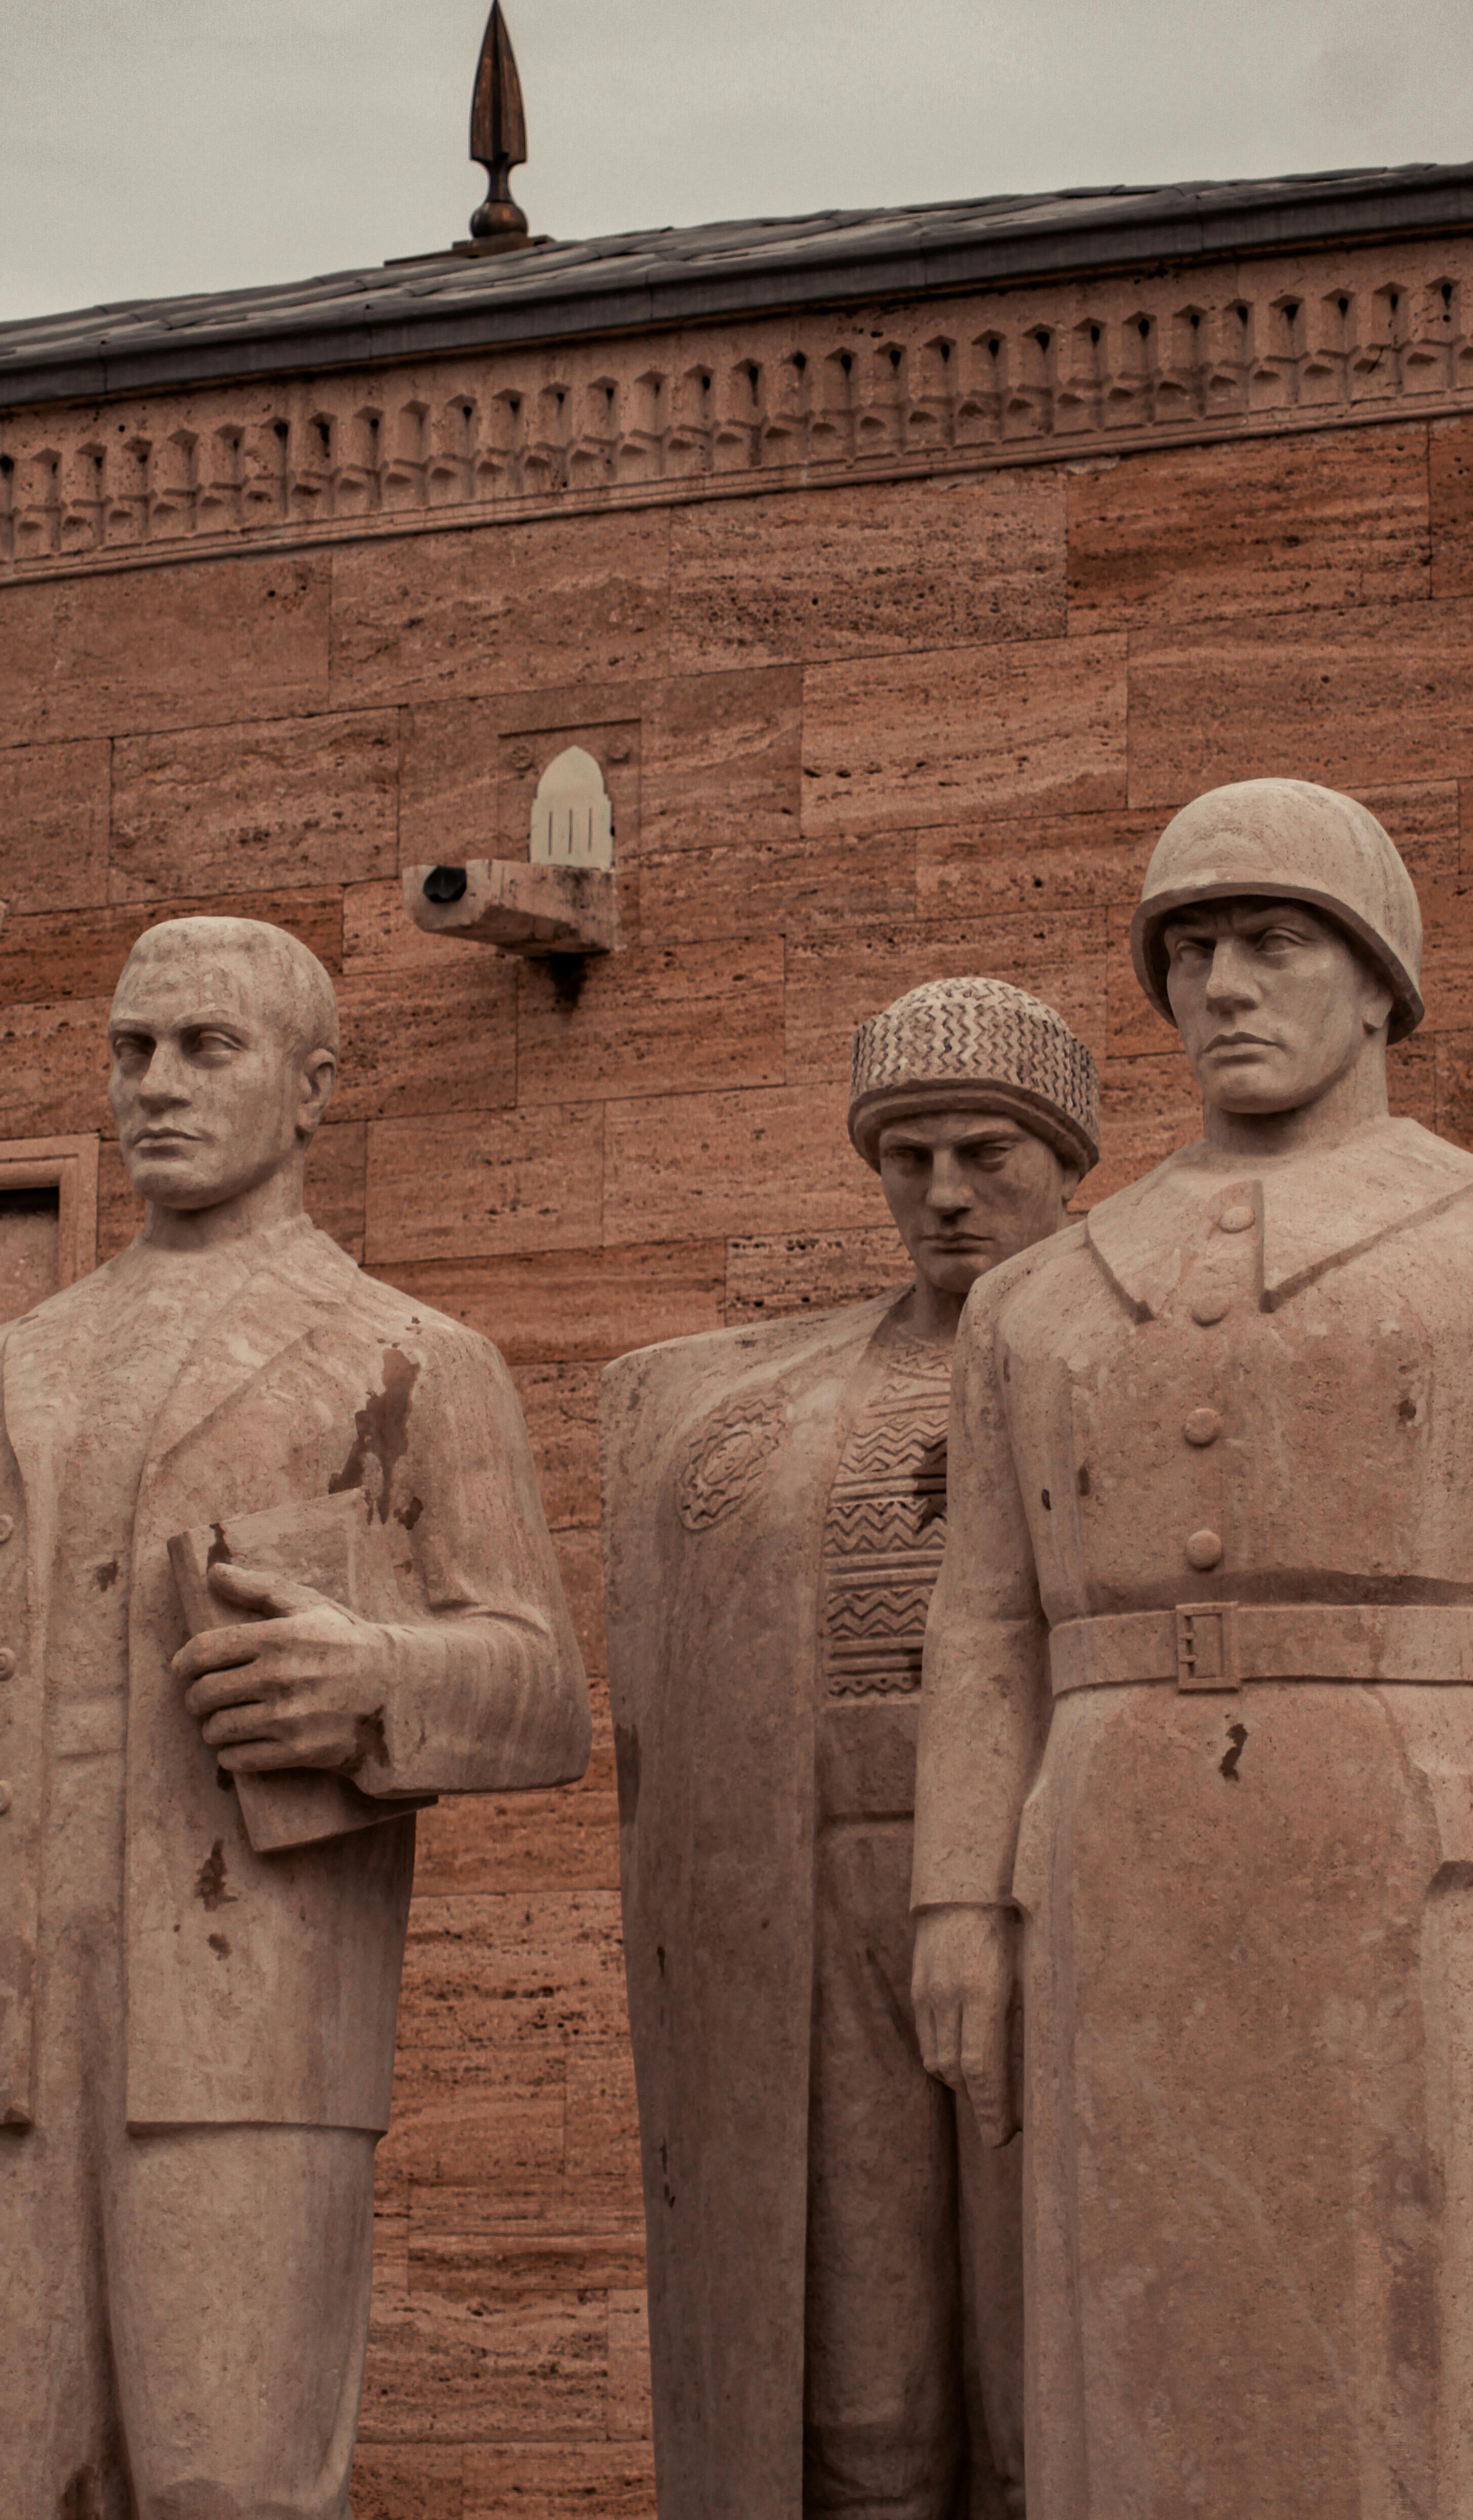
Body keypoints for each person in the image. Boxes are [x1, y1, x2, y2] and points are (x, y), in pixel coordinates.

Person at [912, 778, 1473, 2516]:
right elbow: (986, 1622)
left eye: (1273, 941)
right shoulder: (1041, 1297)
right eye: (1192, 951)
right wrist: (954, 1904)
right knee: (1122, 2334)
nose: (1224, 985)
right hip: (1107, 1854)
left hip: (1406, 1852)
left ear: (1376, 977)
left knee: (1407, 2332)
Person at [0, 915, 591, 2520]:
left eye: (208, 1048)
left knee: (231, 2484)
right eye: (129, 1051)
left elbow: (544, 1692)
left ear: (315, 1087)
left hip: (246, 2010)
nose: (154, 1088)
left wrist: (379, 1679)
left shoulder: (409, 1358)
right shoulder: (19, 1369)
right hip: (18, 2020)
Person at [602, 976, 1100, 2520]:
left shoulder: (1123, 1357)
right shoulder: (744, 1403)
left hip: (1059, 1884)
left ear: (1066, 1158)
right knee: (860, 2390)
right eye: (906, 1157)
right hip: (817, 1902)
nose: (943, 1193)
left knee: (1055, 2373)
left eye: (985, 1152)